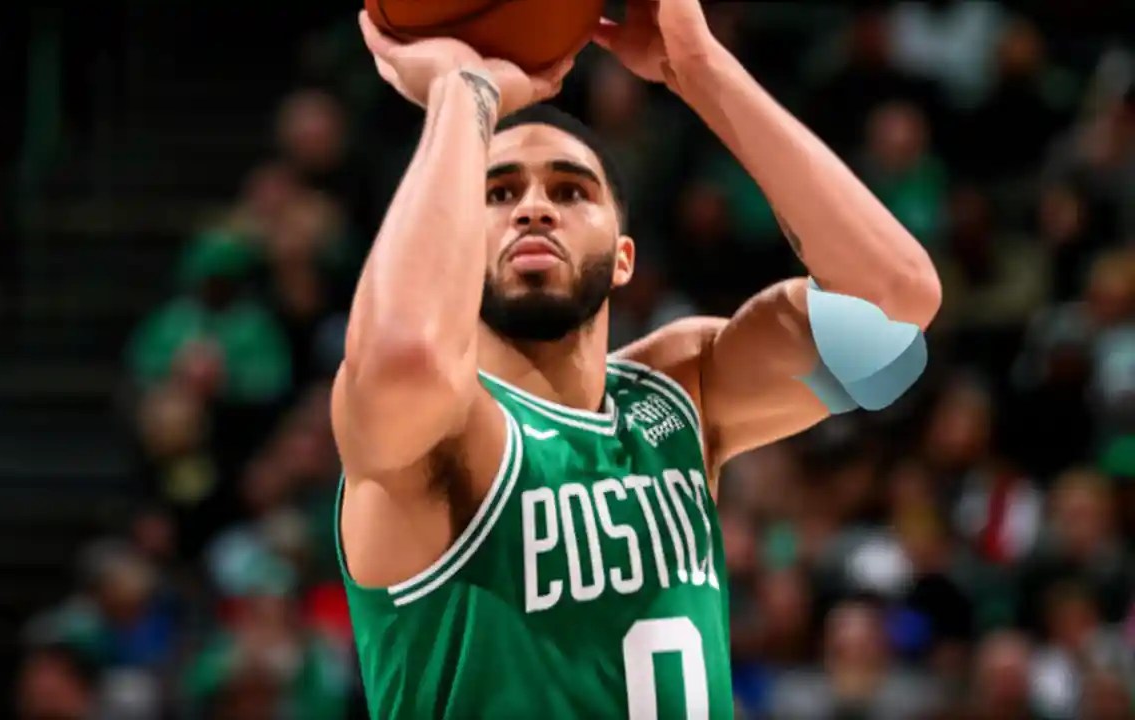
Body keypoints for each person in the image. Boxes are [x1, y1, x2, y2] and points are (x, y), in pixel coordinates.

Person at [334, 1, 942, 718]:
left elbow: (895, 304)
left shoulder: (682, 390)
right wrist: (462, 95)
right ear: (458, 241)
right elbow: (406, 358)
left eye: (570, 190)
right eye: (497, 193)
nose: (534, 208)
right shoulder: (441, 439)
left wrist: (703, 70)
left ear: (625, 259)